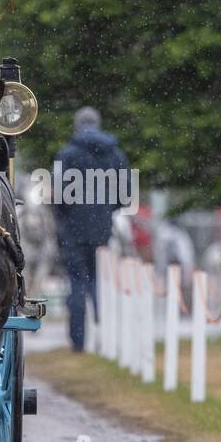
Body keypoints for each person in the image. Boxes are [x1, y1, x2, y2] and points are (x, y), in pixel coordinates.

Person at [53, 107, 130, 352]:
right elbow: (125, 195)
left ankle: (78, 342)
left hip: (73, 229)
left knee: (77, 283)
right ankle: (102, 337)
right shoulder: (115, 154)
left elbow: (58, 196)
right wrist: (106, 210)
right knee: (98, 282)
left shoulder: (66, 155)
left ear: (77, 126)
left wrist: (65, 219)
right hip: (102, 227)